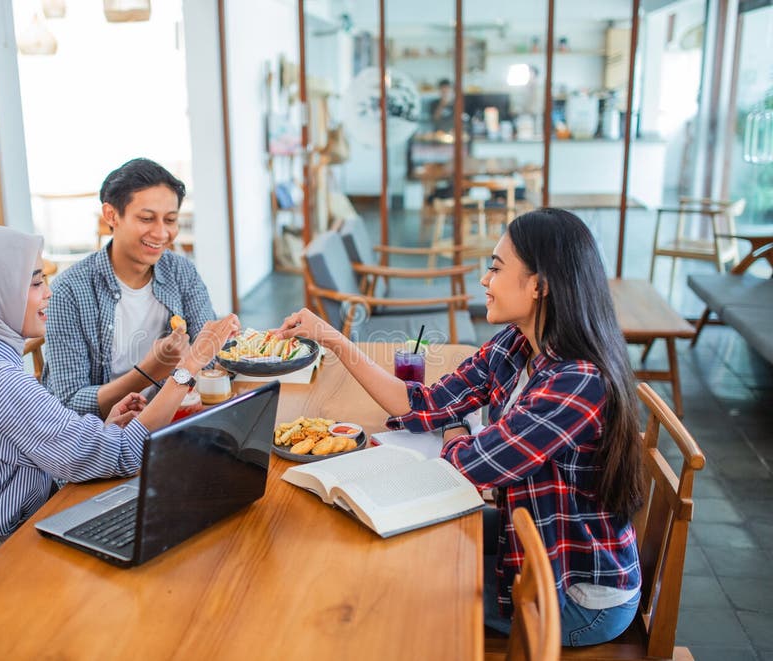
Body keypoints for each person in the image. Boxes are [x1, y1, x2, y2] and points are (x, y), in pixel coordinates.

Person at [273, 208, 644, 647]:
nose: (485, 281)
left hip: (574, 593)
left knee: (395, 596)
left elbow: (465, 467)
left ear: (539, 285)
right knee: (393, 545)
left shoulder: (577, 382)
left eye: (496, 268)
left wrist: (455, 430)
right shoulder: (517, 342)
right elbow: (424, 404)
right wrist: (332, 337)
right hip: (529, 540)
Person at [0, 225, 238, 594]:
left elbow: (51, 442)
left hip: (16, 529)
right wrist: (190, 366)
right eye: (34, 283)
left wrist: (106, 428)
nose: (49, 294)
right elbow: (125, 453)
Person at [43, 158, 216, 418]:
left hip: (171, 419)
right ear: (112, 215)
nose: (161, 233)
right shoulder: (69, 292)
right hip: (103, 435)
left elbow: (209, 356)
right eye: (147, 218)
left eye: (170, 220)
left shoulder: (181, 271)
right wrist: (149, 372)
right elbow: (70, 401)